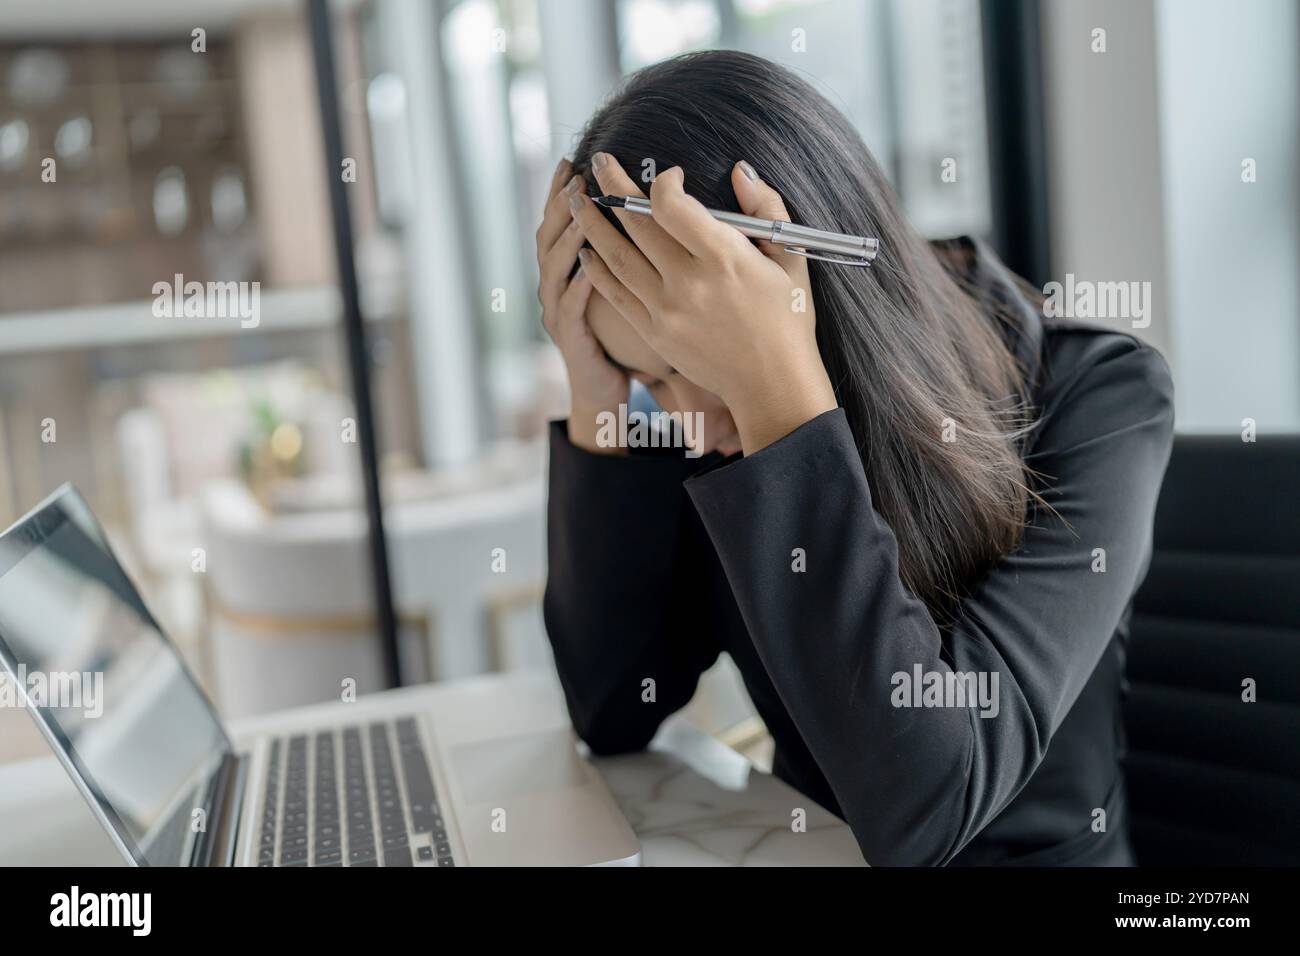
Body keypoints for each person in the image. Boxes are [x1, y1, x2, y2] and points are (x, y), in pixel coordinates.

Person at [536, 50, 1174, 866]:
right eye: (650, 380)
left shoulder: (1100, 396)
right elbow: (612, 711)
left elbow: (928, 807)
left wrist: (778, 392)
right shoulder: (702, 411)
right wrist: (600, 403)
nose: (689, 426)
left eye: (692, 372)